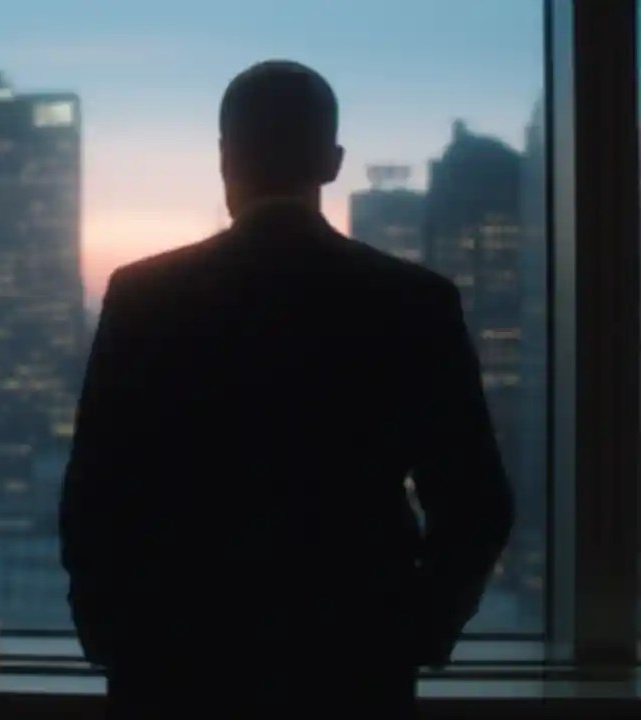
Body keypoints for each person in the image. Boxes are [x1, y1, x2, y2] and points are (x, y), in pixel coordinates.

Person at [59, 60, 514, 717]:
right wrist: (418, 630)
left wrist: (111, 635)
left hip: (176, 663)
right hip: (352, 668)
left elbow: (95, 493)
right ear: (332, 162)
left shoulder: (146, 297)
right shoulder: (414, 302)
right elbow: (477, 502)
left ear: (225, 159)